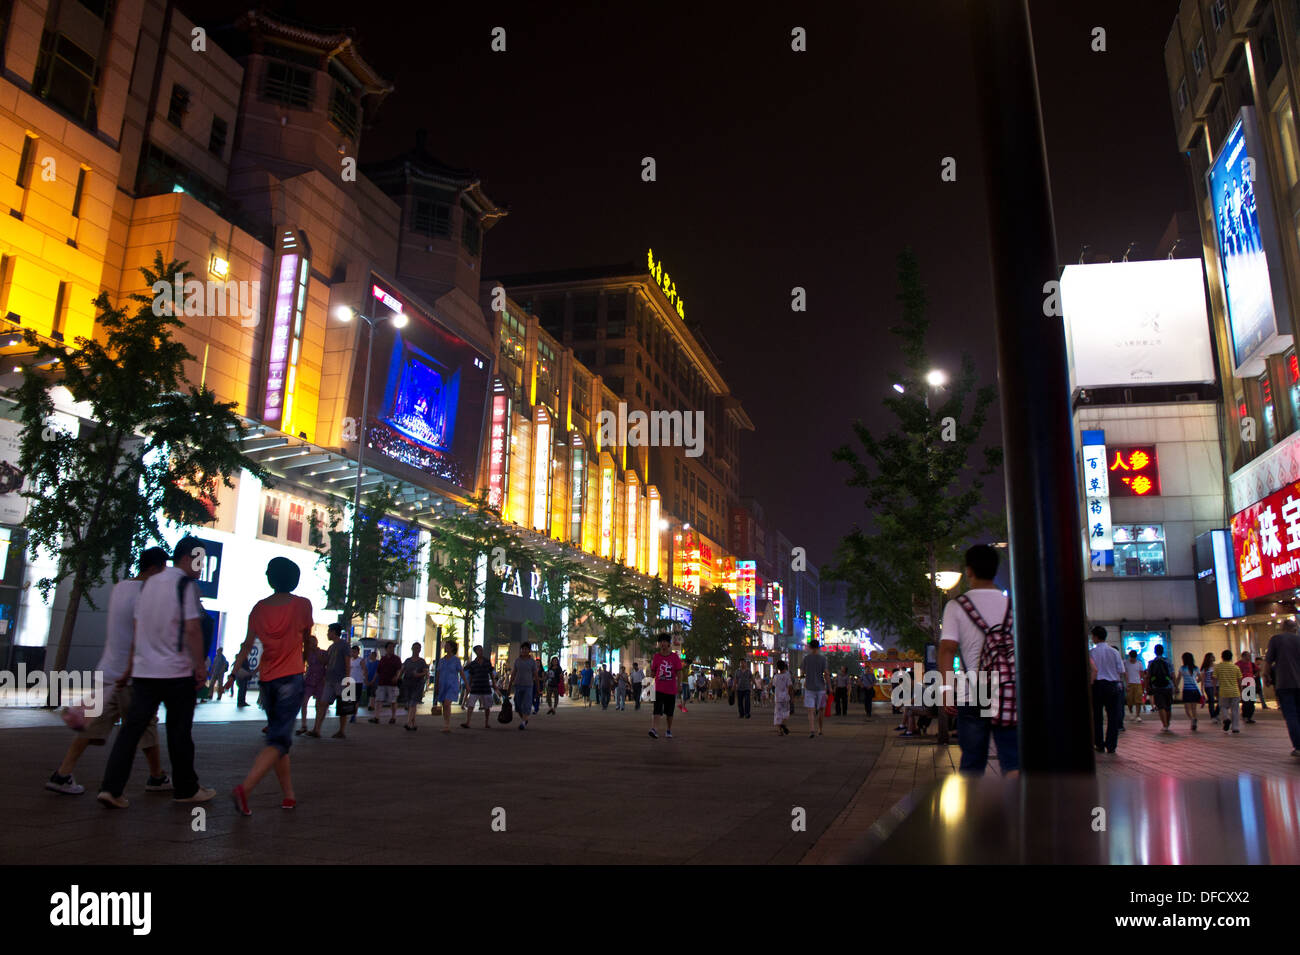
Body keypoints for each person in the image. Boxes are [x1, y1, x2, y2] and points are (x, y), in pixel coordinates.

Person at [97, 536, 217, 808]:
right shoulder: (185, 585)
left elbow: (138, 626)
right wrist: (200, 665)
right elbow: (193, 628)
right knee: (179, 732)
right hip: (175, 671)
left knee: (131, 730)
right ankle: (186, 788)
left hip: (144, 672)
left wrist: (131, 666)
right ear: (187, 557)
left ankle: (111, 788)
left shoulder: (150, 584)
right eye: (199, 560)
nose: (201, 567)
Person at [47, 548, 173, 796]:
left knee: (90, 726)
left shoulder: (120, 587)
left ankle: (62, 773)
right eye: (162, 569)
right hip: (130, 675)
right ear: (154, 569)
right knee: (145, 725)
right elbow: (140, 635)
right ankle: (156, 777)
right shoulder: (147, 595)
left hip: (106, 671)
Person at [226, 556, 313, 815]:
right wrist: (306, 663)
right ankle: (246, 788)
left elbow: (247, 644)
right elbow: (307, 639)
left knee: (279, 738)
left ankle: (289, 795)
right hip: (291, 677)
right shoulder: (301, 605)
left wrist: (233, 673)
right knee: (278, 739)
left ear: (271, 578)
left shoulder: (259, 608)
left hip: (267, 681)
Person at [936, 545, 1018, 774]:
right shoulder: (1012, 605)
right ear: (995, 569)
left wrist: (946, 689)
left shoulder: (957, 606)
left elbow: (947, 650)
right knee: (1013, 760)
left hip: (974, 688)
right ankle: (1017, 807)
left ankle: (973, 809)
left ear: (969, 570)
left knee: (972, 762)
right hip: (1008, 689)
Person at [1262, 617, 1300, 756]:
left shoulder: (1276, 639)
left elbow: (1268, 661)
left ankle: (1298, 746)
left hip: (1284, 683)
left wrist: (1266, 676)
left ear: (1283, 627)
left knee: (1291, 715)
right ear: (1294, 628)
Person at [1088, 626, 1125, 754]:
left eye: (1092, 636)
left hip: (1097, 686)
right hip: (1112, 685)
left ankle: (1099, 744)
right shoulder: (1114, 652)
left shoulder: (1092, 652)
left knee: (1097, 716)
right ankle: (1111, 745)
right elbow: (1121, 670)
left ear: (1096, 637)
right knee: (1113, 716)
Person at [313, 623, 350, 738]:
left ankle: (341, 731)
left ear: (334, 632)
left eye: (329, 631)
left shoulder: (344, 645)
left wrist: (348, 678)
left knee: (343, 706)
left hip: (341, 679)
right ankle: (317, 730)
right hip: (330, 680)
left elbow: (347, 662)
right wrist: (316, 651)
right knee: (323, 703)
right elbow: (326, 661)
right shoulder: (331, 647)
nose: (327, 634)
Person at [648, 634, 682, 739]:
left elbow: (679, 672)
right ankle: (654, 729)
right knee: (656, 709)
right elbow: (653, 672)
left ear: (668, 643)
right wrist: (649, 686)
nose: (662, 644)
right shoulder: (656, 657)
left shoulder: (674, 657)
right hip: (658, 688)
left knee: (669, 712)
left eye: (664, 641)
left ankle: (668, 730)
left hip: (671, 689)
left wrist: (679, 685)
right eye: (660, 642)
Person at [299, 634, 326, 735]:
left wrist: (317, 652)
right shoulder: (306, 653)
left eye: (313, 642)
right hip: (309, 678)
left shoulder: (322, 652)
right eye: (309, 642)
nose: (311, 644)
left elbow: (324, 662)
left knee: (318, 705)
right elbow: (301, 664)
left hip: (320, 679)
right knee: (304, 701)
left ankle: (316, 728)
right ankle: (303, 725)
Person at [462, 646, 495, 728]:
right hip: (476, 686)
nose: (481, 651)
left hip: (485, 686)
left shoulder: (487, 661)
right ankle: (468, 722)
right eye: (479, 650)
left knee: (487, 706)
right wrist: (469, 685)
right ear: (476, 652)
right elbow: (471, 675)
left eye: (481, 650)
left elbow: (491, 673)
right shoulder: (473, 663)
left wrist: (494, 683)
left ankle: (486, 722)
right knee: (471, 704)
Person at [433, 641, 462, 733]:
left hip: (452, 684)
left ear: (452, 648)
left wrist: (466, 684)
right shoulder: (442, 660)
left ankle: (447, 724)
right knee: (444, 705)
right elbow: (438, 673)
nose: (445, 648)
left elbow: (461, 672)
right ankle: (446, 723)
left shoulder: (456, 660)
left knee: (447, 703)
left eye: (447, 646)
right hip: (443, 684)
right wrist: (436, 685)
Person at [1144, 645, 1175, 734]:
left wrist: (1148, 686)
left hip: (1157, 687)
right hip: (1168, 686)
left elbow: (1148, 676)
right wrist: (1175, 686)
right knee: (1168, 706)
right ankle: (1168, 723)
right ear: (1163, 651)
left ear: (1155, 652)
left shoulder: (1151, 662)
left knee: (1160, 706)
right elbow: (1172, 675)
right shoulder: (1168, 661)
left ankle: (1164, 725)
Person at [400, 642, 431, 731]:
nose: (416, 650)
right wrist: (398, 678)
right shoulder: (407, 660)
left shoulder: (422, 661)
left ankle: (408, 722)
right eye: (415, 648)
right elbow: (402, 670)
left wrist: (418, 674)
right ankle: (413, 724)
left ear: (420, 650)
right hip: (407, 684)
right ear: (412, 649)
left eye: (418, 648)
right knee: (410, 704)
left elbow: (426, 672)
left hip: (417, 685)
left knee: (413, 703)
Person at [369, 642, 402, 724]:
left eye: (393, 648)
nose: (391, 649)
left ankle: (393, 717)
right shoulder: (383, 659)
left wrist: (396, 677)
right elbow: (378, 671)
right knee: (378, 700)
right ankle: (377, 717)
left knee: (393, 700)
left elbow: (399, 670)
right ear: (386, 649)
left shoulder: (396, 659)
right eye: (390, 647)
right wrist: (373, 680)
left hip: (392, 683)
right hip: (382, 682)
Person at [801, 640, 828, 738]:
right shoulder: (823, 659)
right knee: (821, 710)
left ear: (810, 647)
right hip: (821, 688)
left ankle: (812, 730)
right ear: (819, 647)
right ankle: (820, 729)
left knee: (810, 711)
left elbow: (802, 671)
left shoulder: (806, 658)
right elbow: (826, 673)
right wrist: (830, 687)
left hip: (809, 687)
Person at [508, 642, 537, 730]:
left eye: (526, 649)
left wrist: (539, 688)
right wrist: (509, 685)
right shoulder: (517, 660)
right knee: (517, 704)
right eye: (523, 649)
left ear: (529, 651)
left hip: (528, 685)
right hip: (518, 685)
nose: (524, 650)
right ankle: (524, 719)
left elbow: (535, 674)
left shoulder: (532, 662)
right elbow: (513, 673)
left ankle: (523, 722)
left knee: (526, 704)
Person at [1213, 650, 1243, 734]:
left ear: (1222, 657)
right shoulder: (1235, 667)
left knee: (1223, 707)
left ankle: (1226, 718)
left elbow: (1214, 679)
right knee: (1235, 710)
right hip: (1235, 691)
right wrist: (1241, 690)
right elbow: (1240, 680)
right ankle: (1235, 727)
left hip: (1223, 692)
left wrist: (1214, 690)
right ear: (1231, 657)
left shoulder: (1218, 667)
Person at [1176, 652, 1202, 732]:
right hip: (1194, 689)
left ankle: (1192, 719)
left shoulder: (1182, 668)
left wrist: (1176, 686)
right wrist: (1195, 681)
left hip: (1187, 690)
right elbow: (1200, 678)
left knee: (1187, 709)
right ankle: (1194, 720)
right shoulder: (1196, 668)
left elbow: (1179, 678)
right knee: (1194, 708)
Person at [1123, 650, 1145, 724]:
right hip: (1130, 683)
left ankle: (1138, 715)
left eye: (1134, 657)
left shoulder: (1139, 663)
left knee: (1138, 700)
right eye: (1132, 657)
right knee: (1129, 700)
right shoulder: (1125, 663)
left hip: (1138, 683)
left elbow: (1142, 673)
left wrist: (1141, 680)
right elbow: (1124, 673)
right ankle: (1131, 712)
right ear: (1129, 656)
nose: (1133, 659)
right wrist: (1126, 683)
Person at [772, 659, 793, 735]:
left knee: (778, 714)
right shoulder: (787, 676)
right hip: (785, 697)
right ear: (785, 667)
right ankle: (783, 724)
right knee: (786, 713)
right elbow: (790, 687)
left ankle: (780, 730)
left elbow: (773, 686)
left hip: (777, 698)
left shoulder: (776, 676)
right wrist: (792, 697)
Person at [1237, 652, 1258, 724]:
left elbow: (1257, 670)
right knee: (1246, 701)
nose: (1249, 657)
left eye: (1249, 656)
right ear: (1243, 656)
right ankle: (1245, 716)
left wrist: (1254, 676)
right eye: (1248, 656)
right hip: (1244, 684)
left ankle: (1249, 716)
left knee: (1252, 701)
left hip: (1251, 683)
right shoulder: (1238, 664)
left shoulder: (1251, 664)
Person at [348, 645, 365, 723]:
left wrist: (364, 678)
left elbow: (364, 670)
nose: (353, 653)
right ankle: (351, 713)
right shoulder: (349, 660)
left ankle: (354, 715)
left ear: (358, 652)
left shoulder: (360, 660)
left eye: (355, 652)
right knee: (351, 699)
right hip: (351, 682)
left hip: (358, 682)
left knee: (356, 699)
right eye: (352, 651)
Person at [1200, 652, 1220, 719]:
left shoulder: (1216, 666)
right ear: (1208, 658)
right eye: (1212, 656)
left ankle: (1216, 713)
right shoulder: (1205, 668)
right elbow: (1203, 679)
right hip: (1208, 686)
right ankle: (1213, 716)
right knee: (1211, 700)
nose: (1214, 657)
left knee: (1221, 701)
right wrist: (1202, 688)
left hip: (1217, 685)